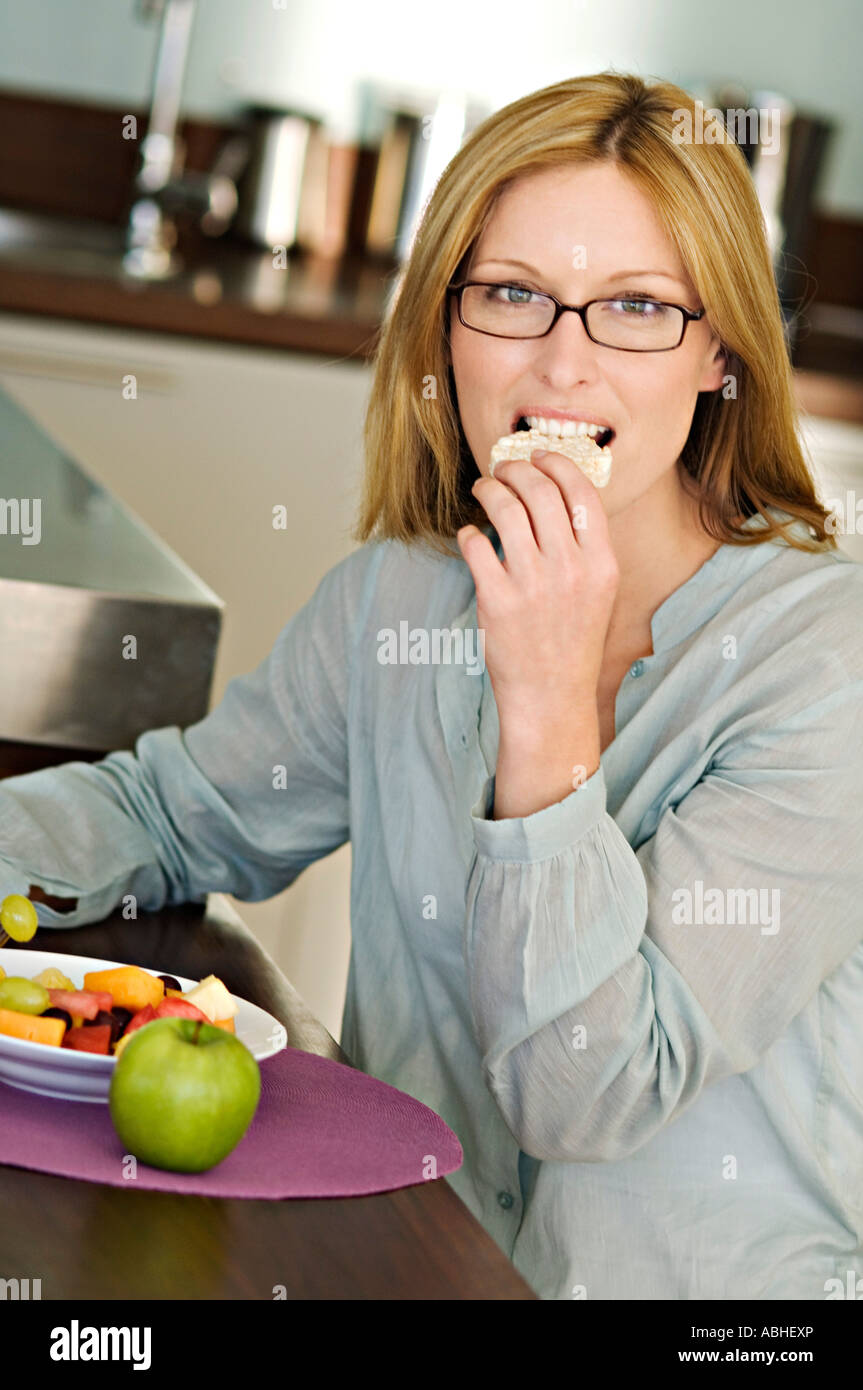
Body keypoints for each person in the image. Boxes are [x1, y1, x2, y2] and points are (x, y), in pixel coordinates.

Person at [1, 71, 861, 1300]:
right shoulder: (398, 599)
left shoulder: (828, 666)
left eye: (632, 307)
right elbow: (171, 815)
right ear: (443, 327)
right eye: (511, 295)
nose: (561, 365)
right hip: (407, 1270)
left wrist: (550, 703)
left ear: (718, 350)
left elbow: (589, 1090)